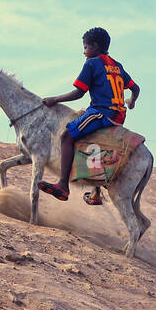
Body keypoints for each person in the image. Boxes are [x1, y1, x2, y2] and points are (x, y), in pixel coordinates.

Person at [37, 27, 139, 203]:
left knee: (67, 136)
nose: (84, 52)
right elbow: (135, 88)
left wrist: (54, 99)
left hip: (101, 113)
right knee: (91, 142)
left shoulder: (92, 63)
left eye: (85, 47)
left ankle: (63, 185)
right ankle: (96, 192)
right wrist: (131, 101)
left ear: (95, 46)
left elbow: (79, 93)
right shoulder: (116, 66)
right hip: (119, 116)